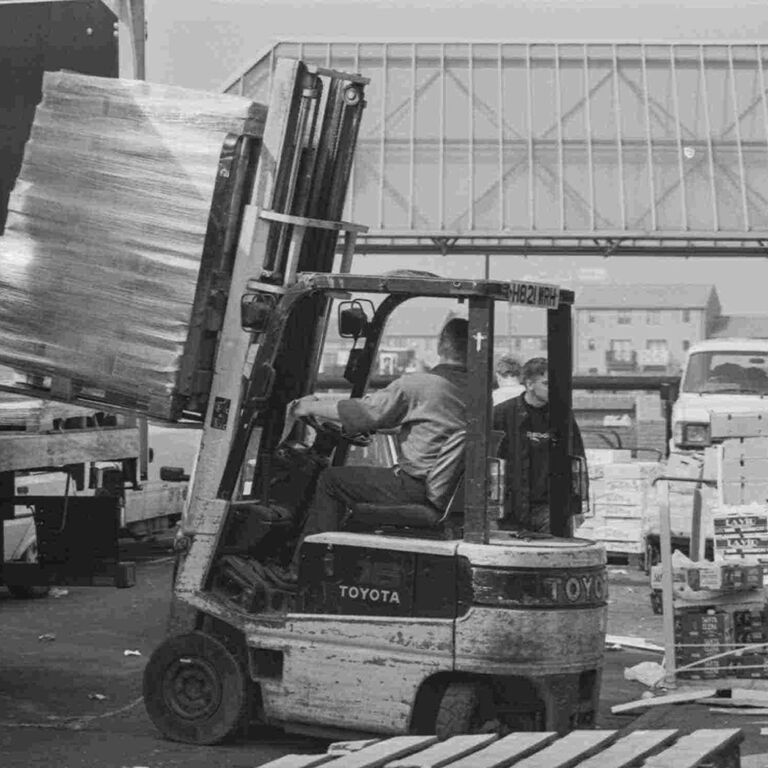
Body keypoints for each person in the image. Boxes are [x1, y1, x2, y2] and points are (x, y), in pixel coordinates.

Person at [279, 317, 469, 579]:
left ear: (441, 345)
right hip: (446, 490)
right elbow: (431, 424)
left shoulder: (420, 385)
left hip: (415, 486)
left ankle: (305, 572)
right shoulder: (476, 391)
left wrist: (308, 407)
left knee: (331, 480)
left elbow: (366, 412)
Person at [492, 356, 586, 533]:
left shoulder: (562, 417)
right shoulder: (501, 415)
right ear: (529, 384)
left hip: (549, 509)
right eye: (546, 384)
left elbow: (577, 460)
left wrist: (577, 505)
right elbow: (488, 461)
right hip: (509, 510)